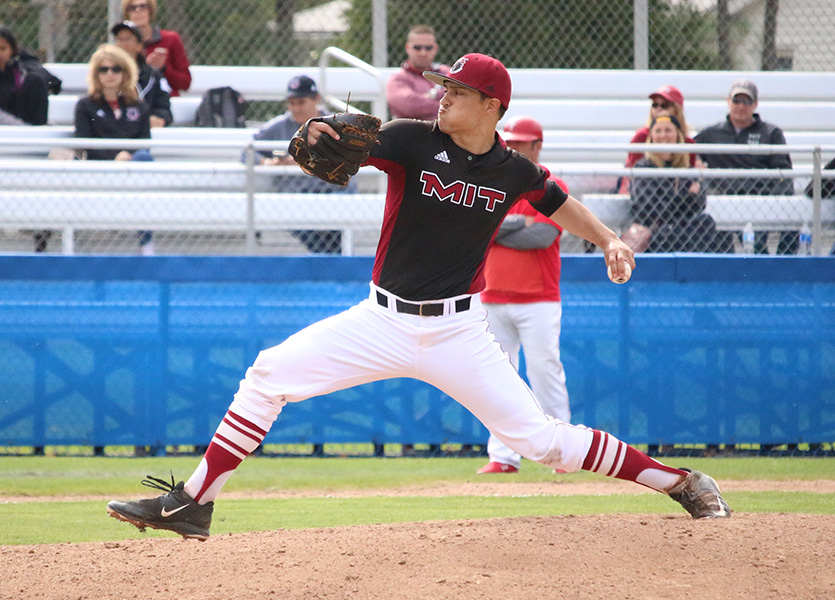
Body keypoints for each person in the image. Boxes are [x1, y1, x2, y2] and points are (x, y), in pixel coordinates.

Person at [106, 53, 731, 540]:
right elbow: (348, 137)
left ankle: (679, 482)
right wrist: (319, 127)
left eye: (456, 90)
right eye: (443, 86)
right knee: (268, 375)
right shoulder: (410, 139)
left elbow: (554, 199)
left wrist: (608, 238)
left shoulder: (511, 169)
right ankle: (195, 503)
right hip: (380, 320)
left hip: (461, 333)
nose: (444, 94)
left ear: (491, 105)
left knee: (541, 441)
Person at [477, 115, 571, 474]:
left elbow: (542, 237)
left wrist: (499, 227)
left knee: (546, 371)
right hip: (492, 298)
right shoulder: (492, 183)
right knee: (499, 379)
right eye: (509, 143)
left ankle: (562, 452)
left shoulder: (549, 184)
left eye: (520, 144)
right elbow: (479, 229)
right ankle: (503, 457)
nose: (512, 149)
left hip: (538, 299)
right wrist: (517, 224)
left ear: (537, 146)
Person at [244, 74, 356, 254]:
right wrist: (267, 162)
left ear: (316, 100)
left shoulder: (334, 123)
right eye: (291, 103)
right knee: (325, 245)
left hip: (331, 192)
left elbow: (349, 155)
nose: (295, 108)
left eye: (301, 102)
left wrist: (302, 161)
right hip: (295, 197)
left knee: (331, 237)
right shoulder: (279, 126)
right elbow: (248, 151)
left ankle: (330, 262)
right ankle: (330, 263)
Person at [694, 79, 796, 255]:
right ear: (728, 102)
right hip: (722, 200)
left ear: (755, 104)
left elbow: (784, 173)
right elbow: (687, 152)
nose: (741, 106)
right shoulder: (712, 133)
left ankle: (777, 272)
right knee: (721, 250)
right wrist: (696, 165)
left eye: (746, 101)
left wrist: (771, 202)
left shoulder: (771, 133)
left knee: (763, 245)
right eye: (736, 100)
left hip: (760, 202)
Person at [74, 44, 154, 254]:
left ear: (125, 72)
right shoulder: (86, 106)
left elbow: (145, 141)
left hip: (133, 168)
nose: (110, 74)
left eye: (116, 69)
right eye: (104, 69)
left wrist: (127, 156)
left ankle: (146, 243)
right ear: (96, 74)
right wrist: (114, 157)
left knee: (144, 159)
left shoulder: (139, 106)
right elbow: (84, 142)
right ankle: (144, 241)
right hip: (99, 169)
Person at [626, 113, 721, 253]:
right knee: (670, 230)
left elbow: (699, 203)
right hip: (656, 233)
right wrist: (685, 197)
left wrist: (669, 199)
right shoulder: (644, 168)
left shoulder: (686, 169)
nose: (663, 135)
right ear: (651, 137)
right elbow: (649, 208)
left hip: (683, 230)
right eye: (658, 131)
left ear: (677, 136)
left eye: (668, 130)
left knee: (705, 222)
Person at [121, 0, 191, 96]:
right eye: (132, 8)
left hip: (167, 101)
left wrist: (163, 68)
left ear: (150, 10)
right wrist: (146, 68)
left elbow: (185, 83)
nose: (138, 11)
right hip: (135, 101)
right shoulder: (123, 44)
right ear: (127, 13)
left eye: (143, 6)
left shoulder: (171, 39)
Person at [111, 20, 173, 128]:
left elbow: (164, 109)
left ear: (139, 46)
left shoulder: (153, 76)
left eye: (129, 39)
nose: (123, 44)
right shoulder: (106, 73)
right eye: (120, 39)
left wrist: (158, 118)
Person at [386, 25, 449, 120]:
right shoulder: (398, 79)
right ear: (408, 48)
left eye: (428, 48)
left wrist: (433, 95)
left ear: (435, 48)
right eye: (417, 47)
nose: (423, 53)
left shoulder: (446, 72)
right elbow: (410, 106)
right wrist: (447, 104)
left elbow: (463, 98)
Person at [0, 26, 49, 126]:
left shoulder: (21, 72)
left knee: (35, 81)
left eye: (3, 49)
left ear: (12, 50)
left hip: (22, 125)